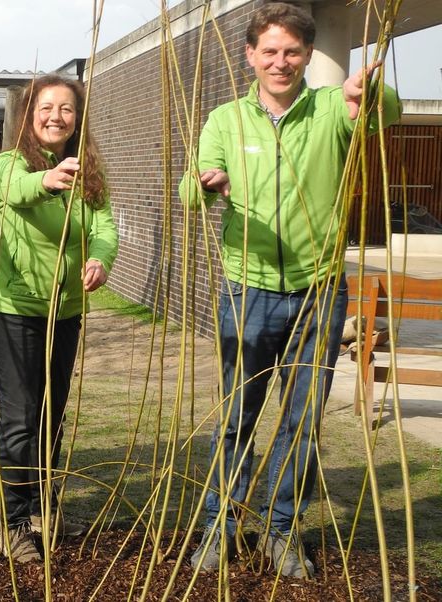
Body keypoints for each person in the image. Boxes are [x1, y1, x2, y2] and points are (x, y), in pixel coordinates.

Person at [180, 2, 401, 579]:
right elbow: (189, 190)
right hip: (246, 289)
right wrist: (206, 184)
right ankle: (219, 527)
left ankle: (281, 530)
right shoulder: (225, 119)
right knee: (237, 417)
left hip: (318, 291)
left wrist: (369, 95)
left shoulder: (331, 107)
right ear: (250, 56)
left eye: (293, 52)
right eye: (269, 51)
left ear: (306, 56)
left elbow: (382, 118)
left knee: (303, 421)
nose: (281, 62)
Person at [0, 75, 118, 564]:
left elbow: (104, 227)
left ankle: (41, 506)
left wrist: (100, 258)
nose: (56, 116)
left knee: (50, 415)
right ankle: (13, 523)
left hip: (65, 310)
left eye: (67, 109)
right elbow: (15, 192)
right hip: (13, 308)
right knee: (19, 417)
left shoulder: (91, 170)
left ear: (78, 119)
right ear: (28, 113)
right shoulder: (9, 162)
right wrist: (48, 181)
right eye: (47, 107)